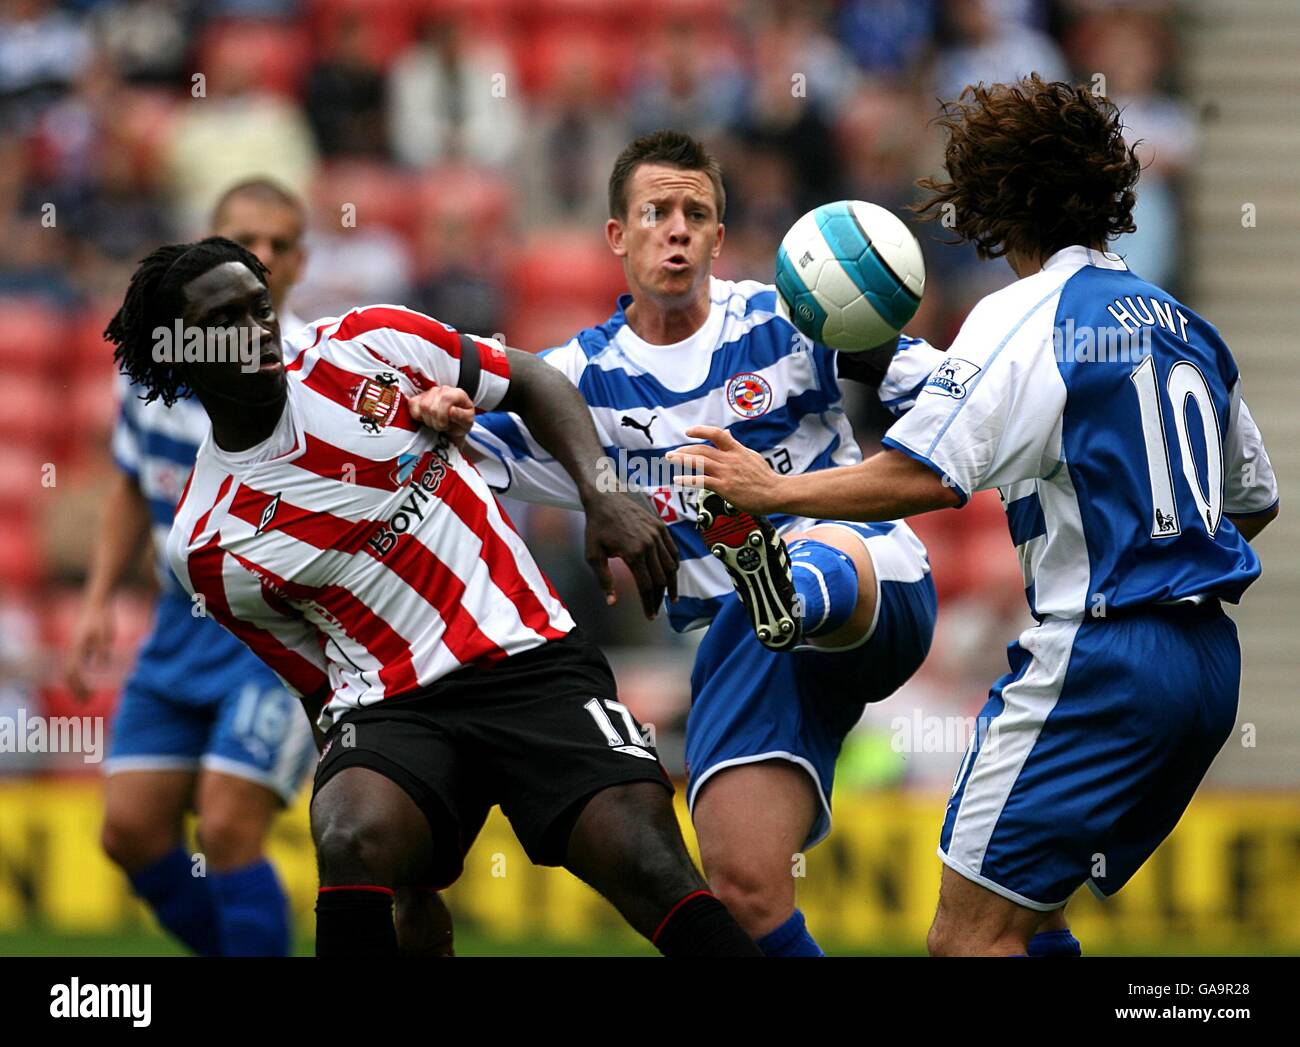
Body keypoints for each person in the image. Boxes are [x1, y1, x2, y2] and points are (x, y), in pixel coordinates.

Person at [668, 77, 1280, 956]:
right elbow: (1251, 503)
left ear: (992, 201)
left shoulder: (1026, 315)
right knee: (1029, 920)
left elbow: (922, 475)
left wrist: (773, 491)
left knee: (966, 939)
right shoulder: (1185, 325)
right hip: (1207, 665)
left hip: (1102, 658)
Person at [104, 234, 761, 958]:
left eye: (259, 307)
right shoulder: (207, 544)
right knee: (349, 832)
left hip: (529, 655)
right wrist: (413, 885)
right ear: (178, 353)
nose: (255, 330)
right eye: (221, 322)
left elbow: (533, 378)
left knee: (648, 861)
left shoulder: (367, 344)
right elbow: (320, 688)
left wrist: (601, 491)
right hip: (394, 707)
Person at [466, 130, 942, 955]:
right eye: (657, 211)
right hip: (748, 642)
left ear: (720, 238)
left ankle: (785, 583)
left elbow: (947, 394)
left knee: (820, 552)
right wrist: (431, 406)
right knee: (744, 895)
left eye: (697, 212)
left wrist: (899, 359)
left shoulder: (793, 313)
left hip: (866, 584)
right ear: (618, 233)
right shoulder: (575, 381)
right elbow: (460, 447)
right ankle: (771, 592)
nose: (677, 228)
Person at [66, 179, 315, 956]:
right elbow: (131, 486)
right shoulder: (148, 366)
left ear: (299, 263)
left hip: (274, 630)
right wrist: (98, 600)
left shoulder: (312, 366)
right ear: (207, 243)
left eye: (278, 245)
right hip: (181, 621)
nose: (260, 258)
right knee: (129, 829)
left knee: (227, 825)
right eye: (244, 239)